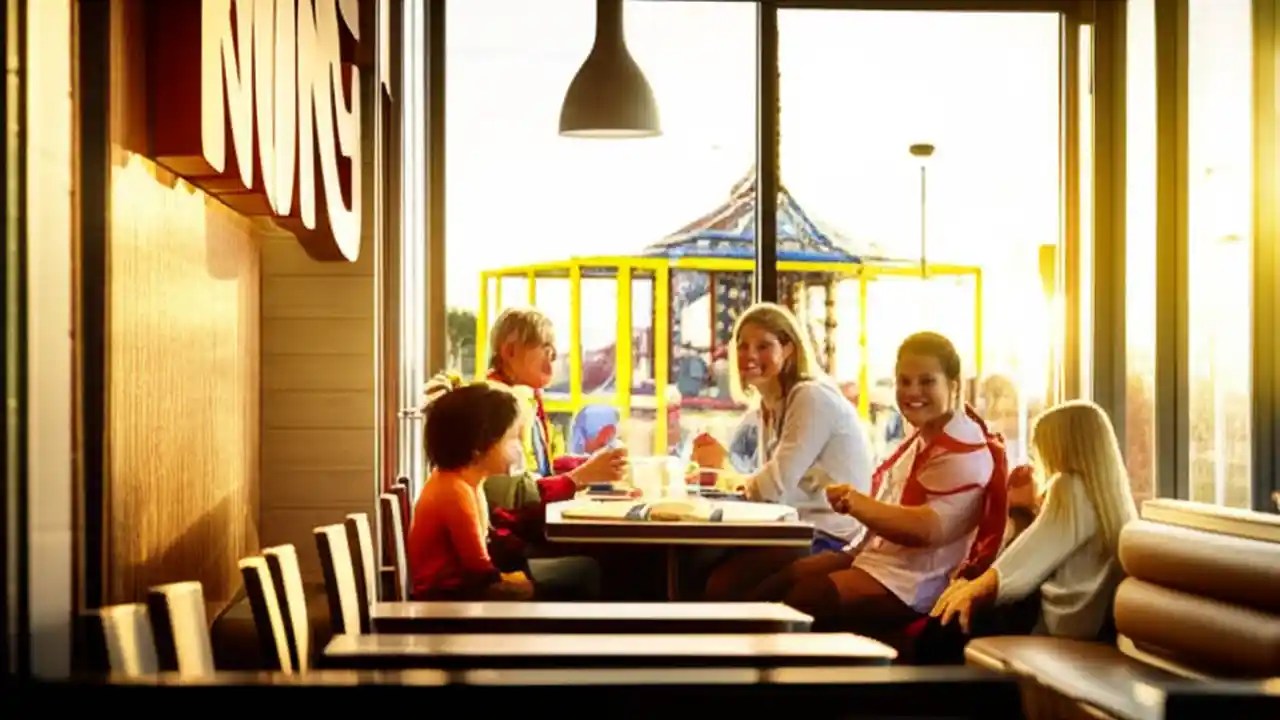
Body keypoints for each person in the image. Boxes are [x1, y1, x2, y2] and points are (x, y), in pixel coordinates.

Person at [748, 331, 1008, 639]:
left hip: (914, 583)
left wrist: (858, 503)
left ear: (953, 385)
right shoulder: (922, 435)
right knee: (775, 582)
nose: (912, 392)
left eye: (926, 382)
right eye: (904, 381)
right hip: (876, 559)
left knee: (806, 598)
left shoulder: (964, 451)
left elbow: (927, 530)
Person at [919, 400, 1138, 663]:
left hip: (1054, 625)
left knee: (943, 625)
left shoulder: (1068, 486)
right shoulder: (1108, 497)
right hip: (1085, 627)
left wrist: (974, 588)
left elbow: (1026, 562)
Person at [689, 302, 875, 600]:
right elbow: (771, 491)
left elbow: (771, 488)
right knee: (697, 564)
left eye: (763, 346)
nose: (750, 355)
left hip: (831, 536)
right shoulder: (769, 405)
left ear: (788, 349)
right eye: (743, 346)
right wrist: (728, 475)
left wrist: (723, 470)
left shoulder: (810, 397)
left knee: (722, 582)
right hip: (794, 529)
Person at [407, 382, 537, 600]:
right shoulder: (454, 491)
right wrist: (522, 580)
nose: (517, 447)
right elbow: (479, 571)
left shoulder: (468, 482)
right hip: (446, 603)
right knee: (555, 585)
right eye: (511, 438)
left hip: (458, 594)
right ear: (479, 447)